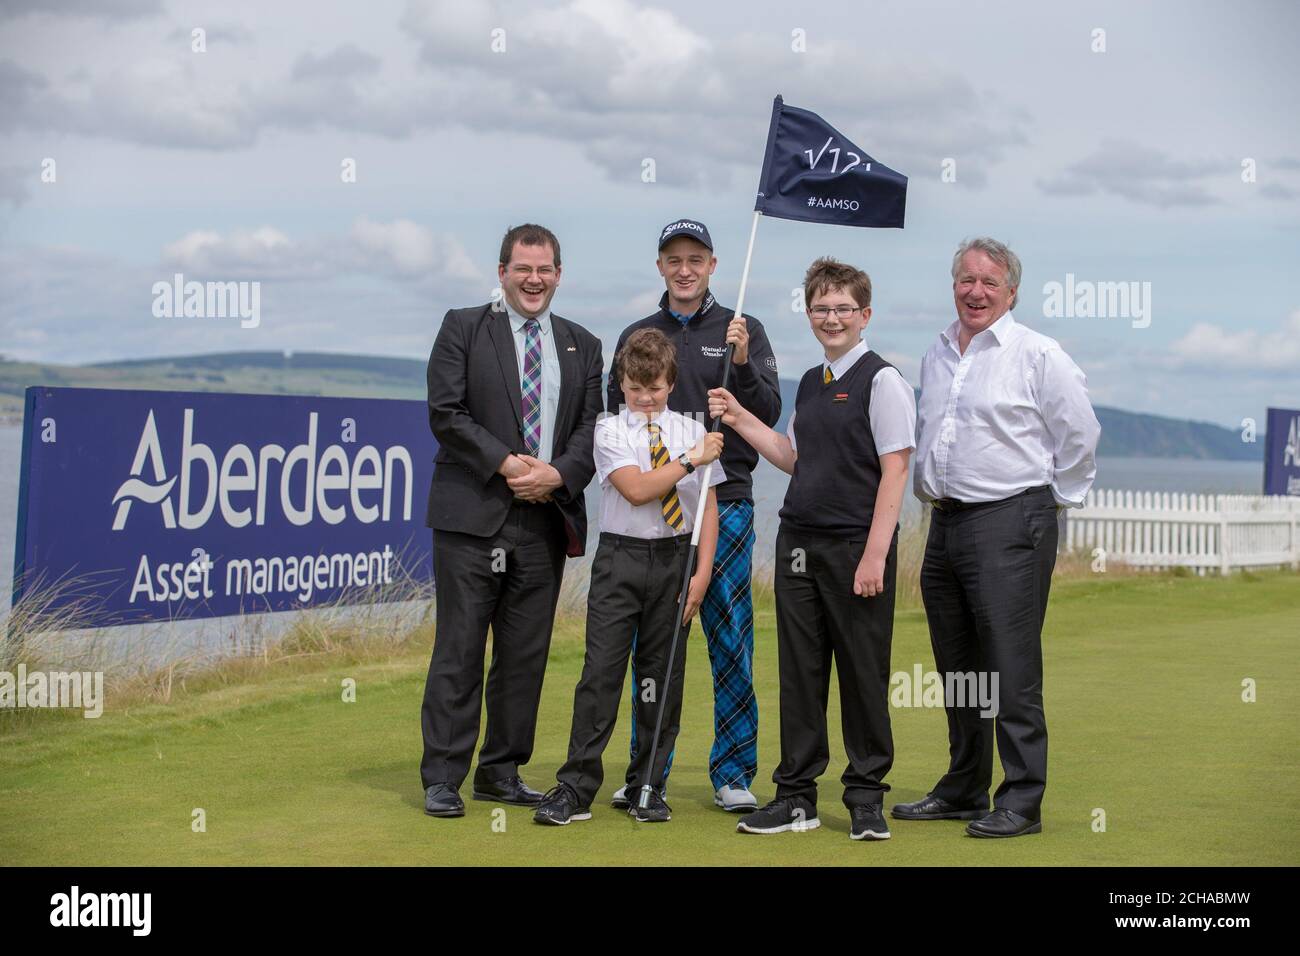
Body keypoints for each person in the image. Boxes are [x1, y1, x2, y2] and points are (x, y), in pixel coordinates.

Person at [896, 236, 1100, 838]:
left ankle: (1022, 799)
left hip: (1012, 519)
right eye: (965, 279)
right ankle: (964, 786)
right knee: (959, 667)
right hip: (946, 523)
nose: (975, 291)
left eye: (989, 282)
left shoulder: (1038, 354)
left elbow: (1080, 434)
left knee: (1011, 667)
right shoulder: (936, 353)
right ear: (953, 284)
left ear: (1011, 290)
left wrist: (1050, 499)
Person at [708, 257, 916, 840]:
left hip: (856, 548)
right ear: (808, 313)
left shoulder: (883, 381)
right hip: (799, 544)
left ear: (864, 314)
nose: (831, 318)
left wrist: (877, 553)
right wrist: (741, 416)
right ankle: (796, 795)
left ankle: (866, 796)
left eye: (843, 308)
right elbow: (793, 458)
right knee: (800, 674)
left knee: (861, 673)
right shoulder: (811, 383)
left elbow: (896, 471)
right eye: (821, 308)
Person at [419, 223, 604, 818]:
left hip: (545, 519)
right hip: (474, 517)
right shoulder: (463, 327)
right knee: (460, 647)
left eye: (544, 269)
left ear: (558, 275)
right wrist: (505, 463)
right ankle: (444, 775)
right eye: (522, 269)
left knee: (524, 654)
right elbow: (446, 413)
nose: (534, 279)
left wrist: (557, 475)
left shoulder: (583, 344)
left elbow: (590, 429)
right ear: (502, 273)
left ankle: (500, 771)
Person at [604, 218, 781, 814]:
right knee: (656, 648)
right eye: (674, 258)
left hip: (723, 502)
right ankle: (646, 772)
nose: (685, 268)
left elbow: (770, 411)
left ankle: (733, 770)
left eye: (696, 258)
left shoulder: (741, 328)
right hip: (655, 513)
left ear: (712, 265)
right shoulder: (638, 332)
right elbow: (616, 422)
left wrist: (745, 363)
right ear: (660, 266)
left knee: (729, 635)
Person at [534, 328, 724, 825]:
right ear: (620, 382)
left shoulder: (692, 430)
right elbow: (637, 490)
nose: (644, 398)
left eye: (655, 388)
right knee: (601, 675)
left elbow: (708, 504)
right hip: (621, 559)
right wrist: (690, 460)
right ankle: (575, 787)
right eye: (635, 388)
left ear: (670, 382)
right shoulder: (610, 429)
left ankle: (647, 786)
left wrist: (702, 573)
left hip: (676, 559)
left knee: (661, 679)